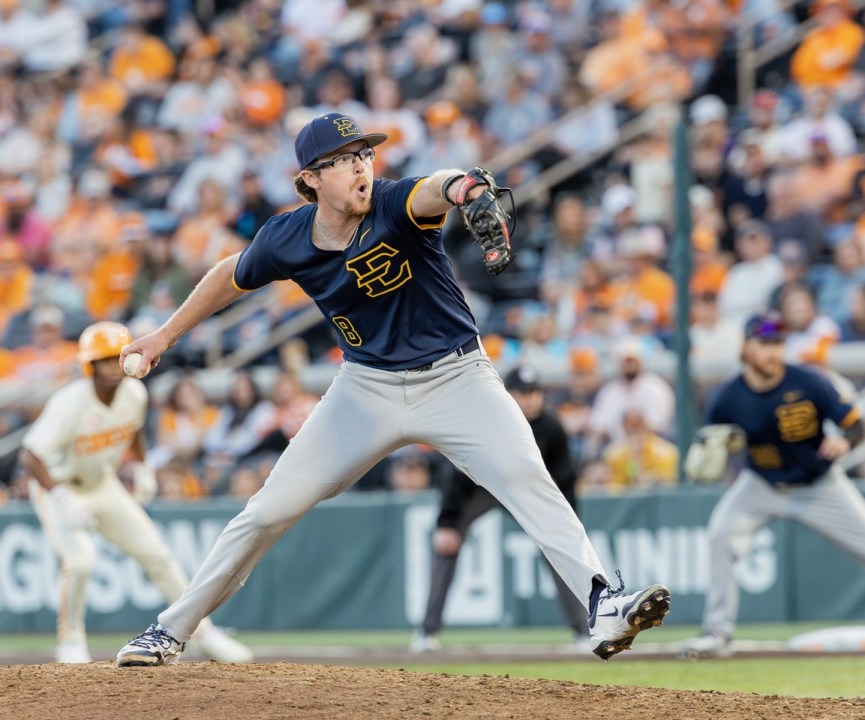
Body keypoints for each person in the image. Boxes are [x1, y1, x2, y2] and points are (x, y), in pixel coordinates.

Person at [114, 114, 671, 666]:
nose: (361, 167)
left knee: (529, 480)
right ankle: (170, 631)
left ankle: (604, 604)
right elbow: (229, 275)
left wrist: (467, 187)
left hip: (457, 379)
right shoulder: (286, 237)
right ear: (310, 177)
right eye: (344, 160)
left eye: (365, 155)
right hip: (365, 390)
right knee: (266, 512)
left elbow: (435, 189)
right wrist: (165, 334)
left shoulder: (390, 203)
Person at [18, 321, 253, 664]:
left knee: (157, 553)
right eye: (104, 359)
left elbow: (135, 430)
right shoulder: (70, 402)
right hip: (59, 487)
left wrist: (142, 467)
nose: (113, 367)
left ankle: (204, 632)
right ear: (89, 364)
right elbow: (30, 455)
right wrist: (61, 496)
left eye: (118, 357)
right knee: (80, 562)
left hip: (102, 483)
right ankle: (70, 641)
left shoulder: (135, 393)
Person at [680, 312, 865, 658]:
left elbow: (856, 426)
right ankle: (717, 633)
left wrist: (845, 442)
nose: (773, 351)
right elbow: (711, 444)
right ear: (746, 347)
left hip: (819, 484)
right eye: (765, 343)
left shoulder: (811, 382)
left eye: (778, 343)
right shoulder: (727, 398)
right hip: (760, 484)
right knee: (721, 535)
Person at [411, 364, 589, 654]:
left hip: (524, 492)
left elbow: (565, 479)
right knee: (447, 547)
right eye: (523, 392)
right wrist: (448, 522)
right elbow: (454, 472)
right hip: (481, 489)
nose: (530, 399)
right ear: (509, 394)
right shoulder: (489, 420)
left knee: (560, 548)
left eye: (534, 392)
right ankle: (427, 632)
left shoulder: (551, 427)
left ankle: (582, 629)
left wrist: (570, 525)